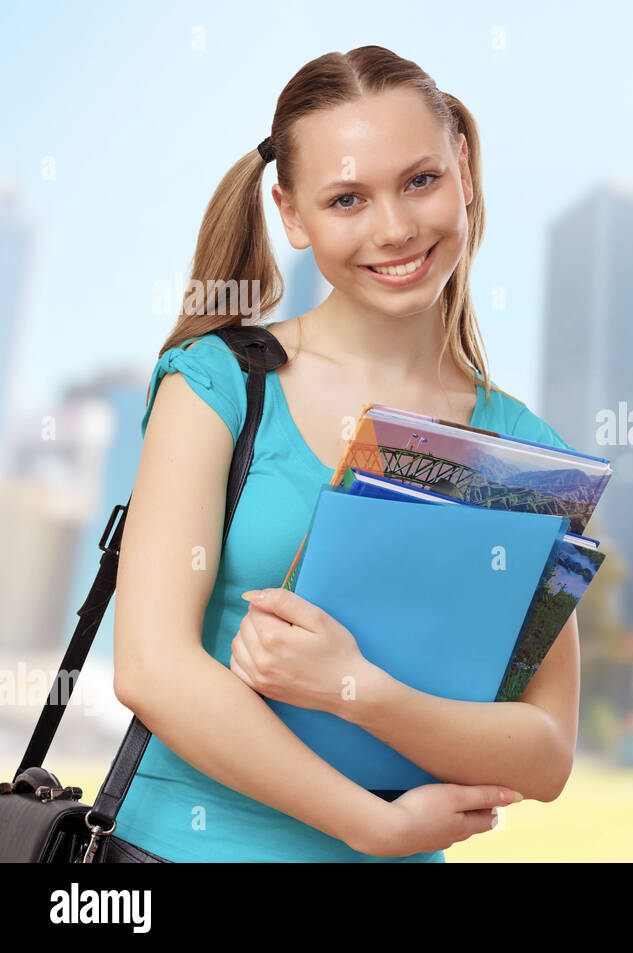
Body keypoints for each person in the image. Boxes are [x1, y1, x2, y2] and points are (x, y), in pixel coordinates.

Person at [111, 45, 581, 862]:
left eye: (421, 180)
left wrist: (356, 689)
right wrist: (375, 824)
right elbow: (152, 667)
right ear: (292, 215)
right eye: (347, 199)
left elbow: (544, 752)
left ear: (464, 170)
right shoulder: (221, 381)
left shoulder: (525, 455)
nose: (394, 228)